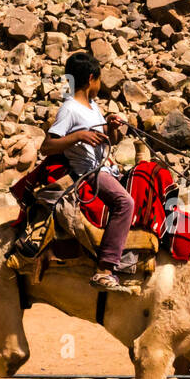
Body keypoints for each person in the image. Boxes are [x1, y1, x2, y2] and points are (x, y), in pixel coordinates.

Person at [39, 51, 133, 291]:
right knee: (125, 202)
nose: (100, 85)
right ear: (92, 78)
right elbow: (47, 146)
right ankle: (104, 269)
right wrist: (78, 136)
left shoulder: (92, 106)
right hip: (89, 173)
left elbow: (105, 141)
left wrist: (110, 128)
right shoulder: (69, 109)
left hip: (105, 168)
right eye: (100, 79)